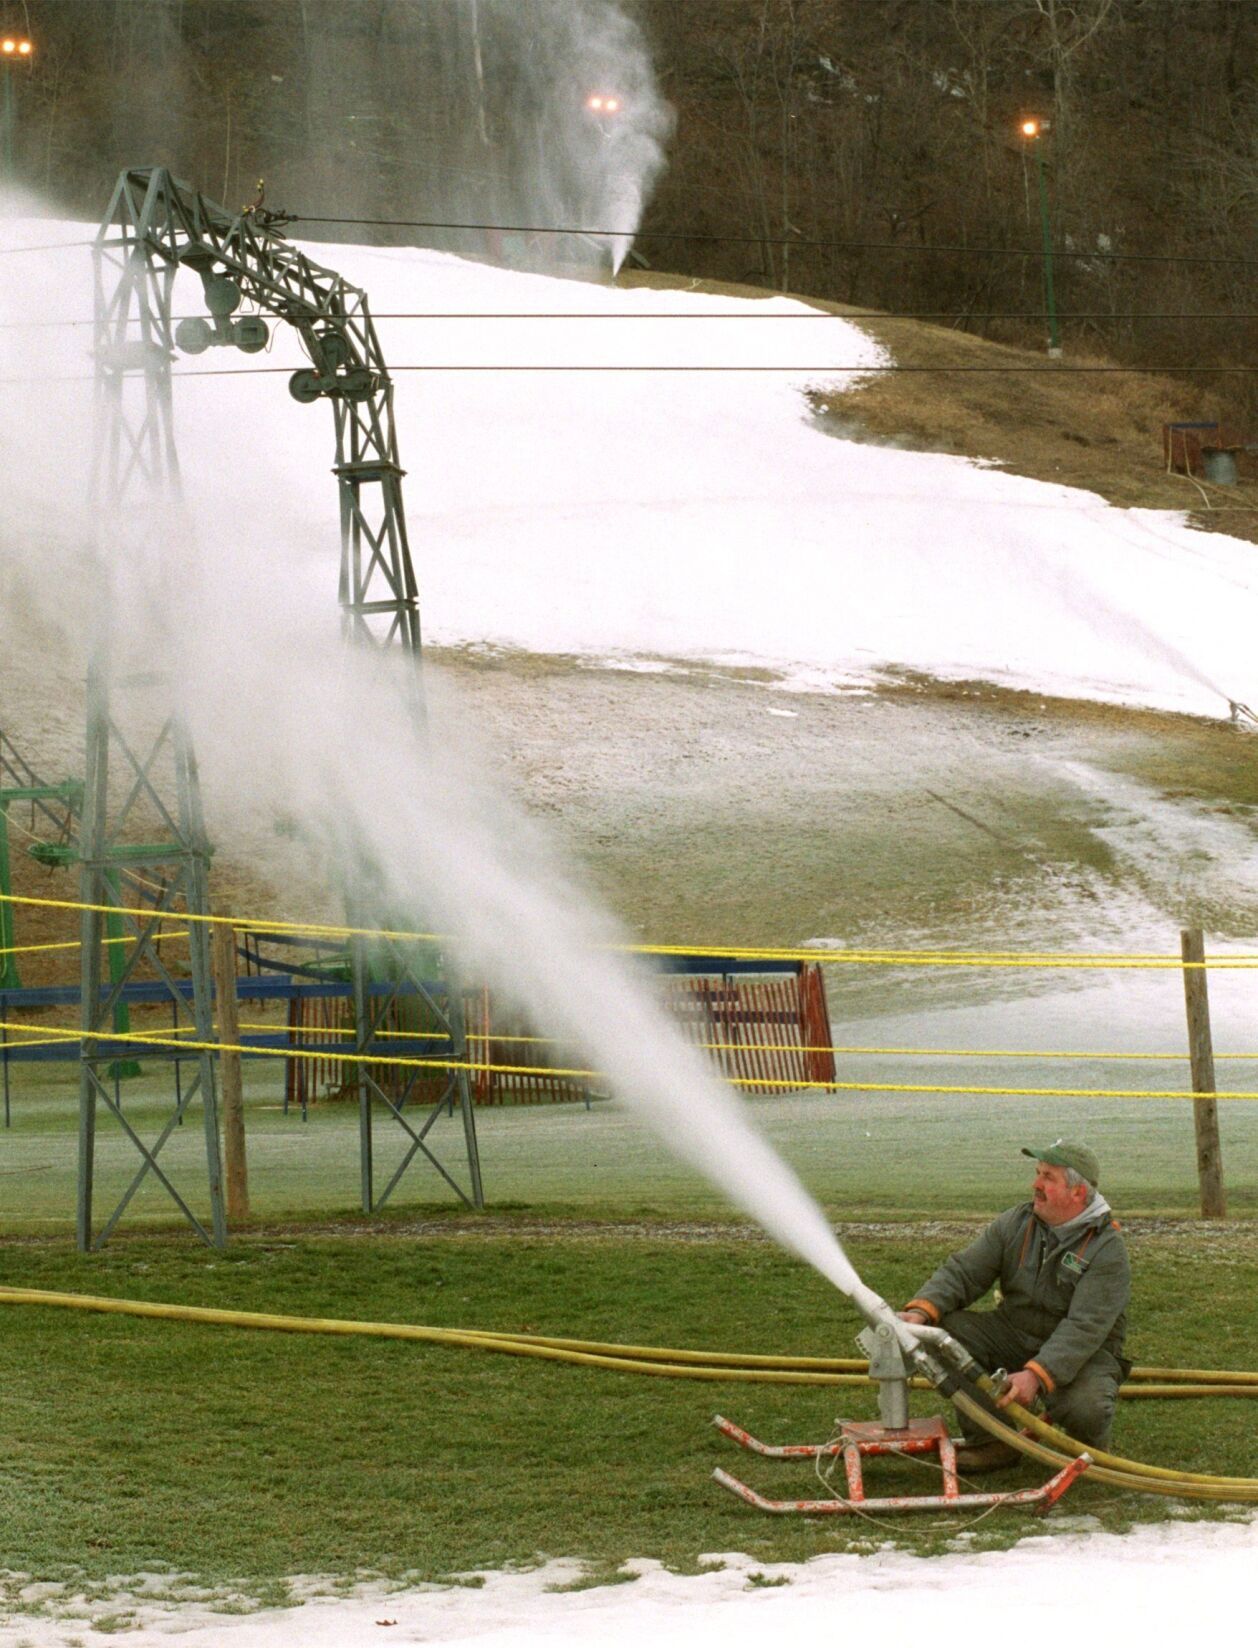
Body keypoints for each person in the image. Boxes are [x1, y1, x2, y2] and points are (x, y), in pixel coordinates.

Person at [898, 1140, 1130, 1472]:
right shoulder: (1015, 1223)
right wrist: (922, 1312)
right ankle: (994, 1444)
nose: (1035, 1185)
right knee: (944, 1335)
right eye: (1037, 1174)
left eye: (1048, 1177)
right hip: (1014, 1333)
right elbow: (964, 1272)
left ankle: (1092, 1452)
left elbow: (1085, 1328)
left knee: (1085, 1407)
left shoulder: (1108, 1249)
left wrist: (1035, 1375)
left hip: (1085, 1354)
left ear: (1078, 1193)